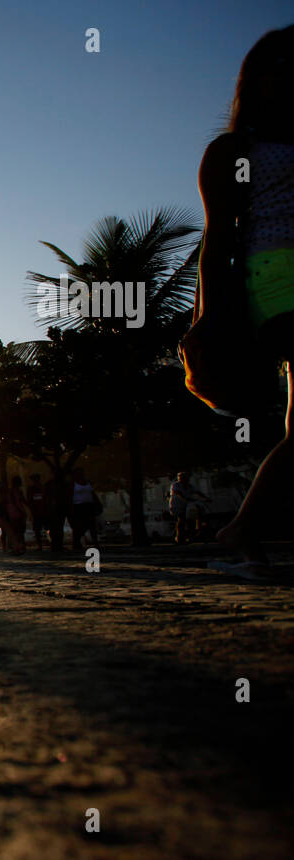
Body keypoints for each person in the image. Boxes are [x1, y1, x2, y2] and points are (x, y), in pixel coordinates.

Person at [198, 27, 294, 575]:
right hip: (276, 278)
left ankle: (245, 529)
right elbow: (217, 240)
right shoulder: (236, 150)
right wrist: (210, 319)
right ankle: (245, 528)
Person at [169, 471, 211, 544]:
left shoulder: (190, 486)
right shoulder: (176, 485)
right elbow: (179, 493)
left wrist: (206, 498)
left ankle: (192, 536)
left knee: (192, 519)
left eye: (186, 478)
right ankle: (180, 538)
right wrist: (186, 498)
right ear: (180, 479)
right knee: (181, 519)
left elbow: (198, 492)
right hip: (177, 506)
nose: (185, 479)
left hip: (188, 505)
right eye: (183, 478)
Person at [70, 468, 99, 549]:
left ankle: (96, 543)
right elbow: (70, 495)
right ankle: (76, 542)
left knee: (92, 525)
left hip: (89, 505)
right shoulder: (73, 484)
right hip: (78, 506)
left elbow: (92, 493)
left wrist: (97, 502)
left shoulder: (88, 482)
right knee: (80, 525)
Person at [5, 475, 29, 555]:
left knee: (17, 532)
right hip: (16, 513)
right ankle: (17, 547)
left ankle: (17, 547)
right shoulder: (14, 492)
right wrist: (22, 511)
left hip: (13, 513)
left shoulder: (13, 491)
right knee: (17, 532)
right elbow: (17, 502)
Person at [26, 473, 50, 551]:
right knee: (37, 530)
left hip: (44, 511)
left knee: (48, 528)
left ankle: (51, 543)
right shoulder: (31, 489)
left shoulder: (44, 488)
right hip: (36, 512)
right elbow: (29, 501)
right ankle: (39, 545)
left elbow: (47, 499)